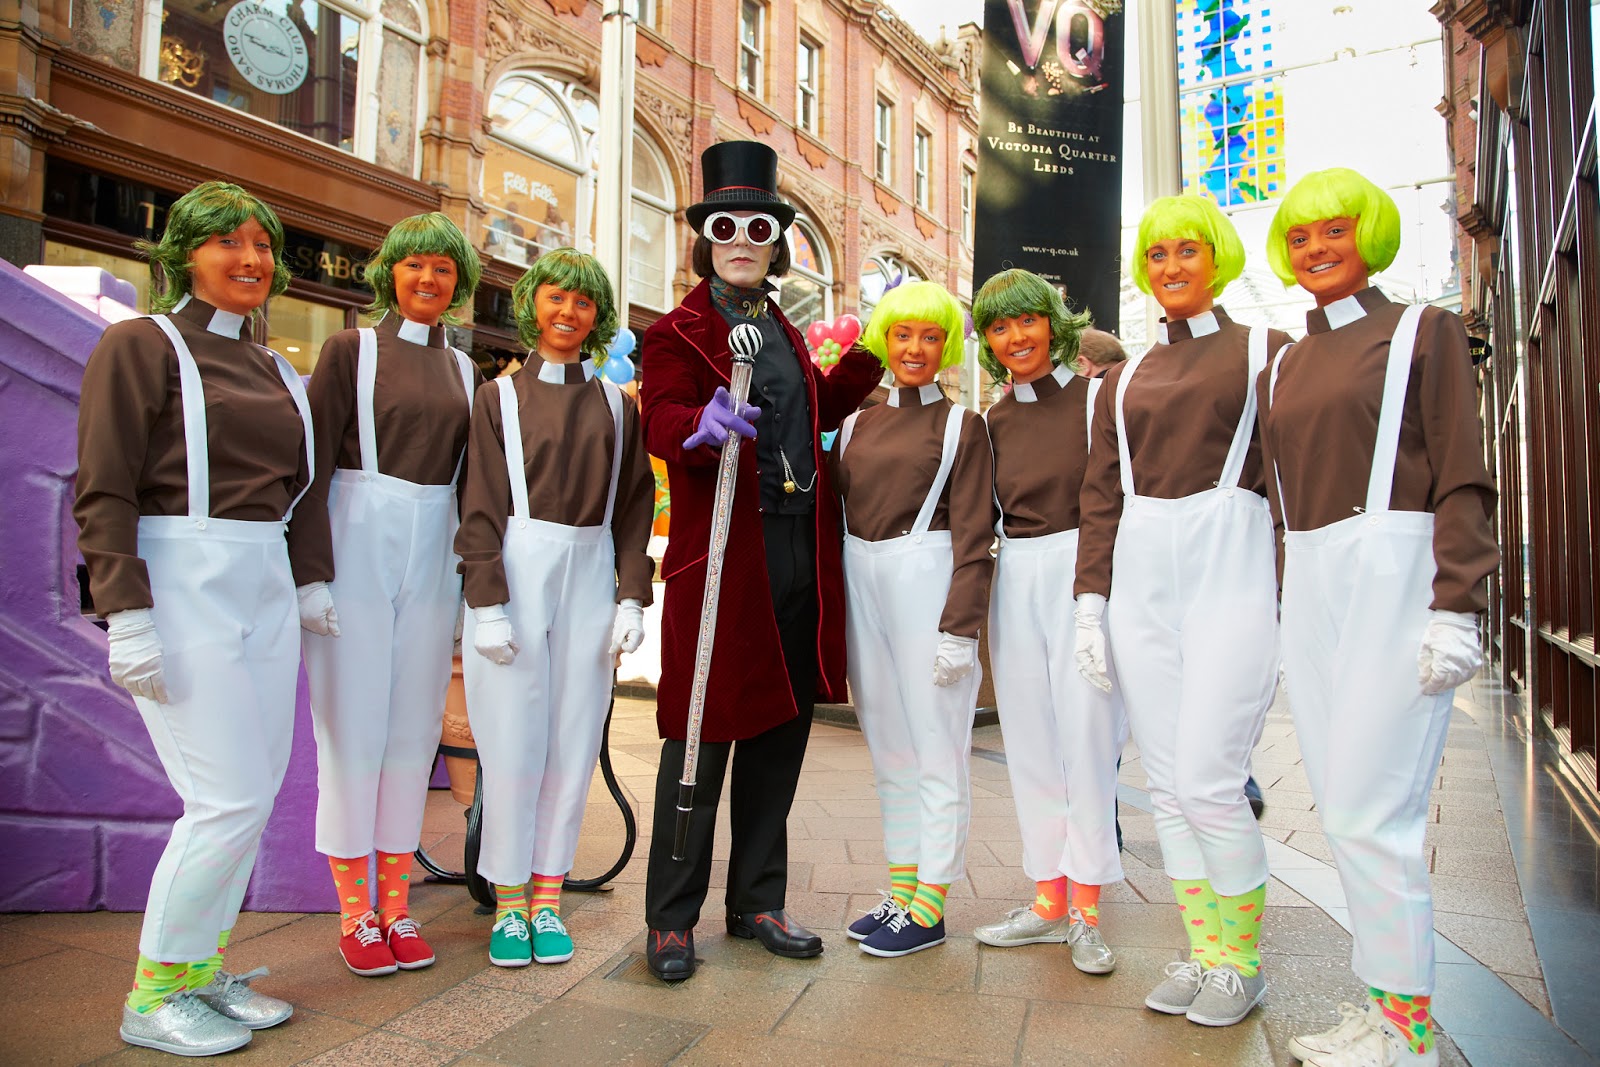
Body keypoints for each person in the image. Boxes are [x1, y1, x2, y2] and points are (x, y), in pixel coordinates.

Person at [1258, 169, 1496, 1067]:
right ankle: (1383, 1007)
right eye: (1303, 235)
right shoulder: (1286, 357)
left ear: (1371, 235)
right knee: (1345, 805)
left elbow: (1462, 472)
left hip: (1394, 568)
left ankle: (1406, 1036)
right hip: (1315, 577)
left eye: (1336, 231)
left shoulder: (1421, 330)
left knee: (1377, 811)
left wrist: (1455, 603)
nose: (1318, 248)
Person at [637, 141, 882, 981]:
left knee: (780, 739)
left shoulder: (782, 328)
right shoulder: (676, 332)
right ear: (706, 236)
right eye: (725, 225)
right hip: (722, 567)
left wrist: (871, 354)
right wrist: (694, 428)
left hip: (797, 552)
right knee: (700, 741)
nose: (742, 238)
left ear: (776, 238)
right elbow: (661, 419)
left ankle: (756, 902)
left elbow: (816, 403)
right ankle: (671, 920)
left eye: (759, 226)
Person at [75, 180, 309, 1056]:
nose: (250, 259)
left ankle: (200, 971)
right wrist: (123, 609)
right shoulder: (139, 344)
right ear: (182, 252)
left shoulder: (275, 364)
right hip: (180, 576)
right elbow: (103, 485)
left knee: (254, 795)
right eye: (227, 242)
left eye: (261, 244)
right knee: (224, 796)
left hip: (263, 577)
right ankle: (152, 990)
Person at [1075, 194, 1290, 1027]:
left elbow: (1293, 481)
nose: (1170, 268)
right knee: (1165, 784)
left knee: (1208, 778)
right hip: (1140, 577)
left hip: (1229, 564)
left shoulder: (1267, 352)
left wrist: (1294, 588)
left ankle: (1241, 963)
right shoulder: (1121, 379)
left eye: (1186, 252)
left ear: (1218, 257)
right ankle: (1207, 952)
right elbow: (1100, 499)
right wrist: (1091, 605)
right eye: (1157, 255)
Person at [455, 249, 654, 968]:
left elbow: (637, 505)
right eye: (555, 299)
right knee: (510, 740)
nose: (568, 313)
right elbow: (477, 504)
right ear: (533, 304)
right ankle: (508, 902)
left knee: (573, 737)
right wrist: (486, 603)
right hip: (516, 563)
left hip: (591, 566)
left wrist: (633, 592)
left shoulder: (615, 405)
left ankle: (547, 894)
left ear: (598, 316)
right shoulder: (495, 398)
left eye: (583, 302)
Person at [298, 212, 482, 977]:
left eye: (444, 269)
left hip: (434, 542)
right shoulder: (350, 350)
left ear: (458, 285)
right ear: (390, 272)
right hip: (355, 531)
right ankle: (354, 913)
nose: (429, 280)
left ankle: (397, 905)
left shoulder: (468, 371)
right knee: (351, 731)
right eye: (415, 266)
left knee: (412, 731)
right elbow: (307, 465)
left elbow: (473, 481)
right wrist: (309, 572)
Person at [833, 281, 994, 958]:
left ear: (947, 345)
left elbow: (978, 534)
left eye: (931, 336)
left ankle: (932, 898)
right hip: (861, 578)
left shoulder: (964, 424)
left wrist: (960, 628)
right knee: (890, 746)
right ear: (884, 340)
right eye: (903, 335)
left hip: (927, 578)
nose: (916, 349)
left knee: (936, 746)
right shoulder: (854, 423)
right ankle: (903, 887)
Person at [969, 270, 1124, 975]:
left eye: (1026, 320)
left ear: (1054, 322)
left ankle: (1089, 908)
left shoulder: (1099, 399)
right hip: (1017, 577)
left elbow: (1110, 504)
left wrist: (1094, 599)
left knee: (1086, 741)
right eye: (999, 327)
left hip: (1081, 573)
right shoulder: (995, 418)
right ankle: (1048, 899)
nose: (1015, 337)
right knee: (1029, 740)